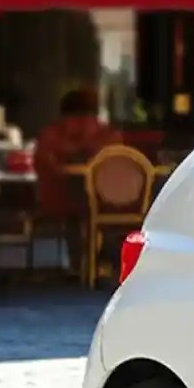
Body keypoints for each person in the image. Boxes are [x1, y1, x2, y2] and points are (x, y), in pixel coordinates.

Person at [33, 88, 121, 277]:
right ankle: (100, 262)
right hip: (107, 200)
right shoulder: (106, 135)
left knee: (76, 211)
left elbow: (43, 163)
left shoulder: (51, 135)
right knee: (98, 212)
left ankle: (80, 263)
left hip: (58, 197)